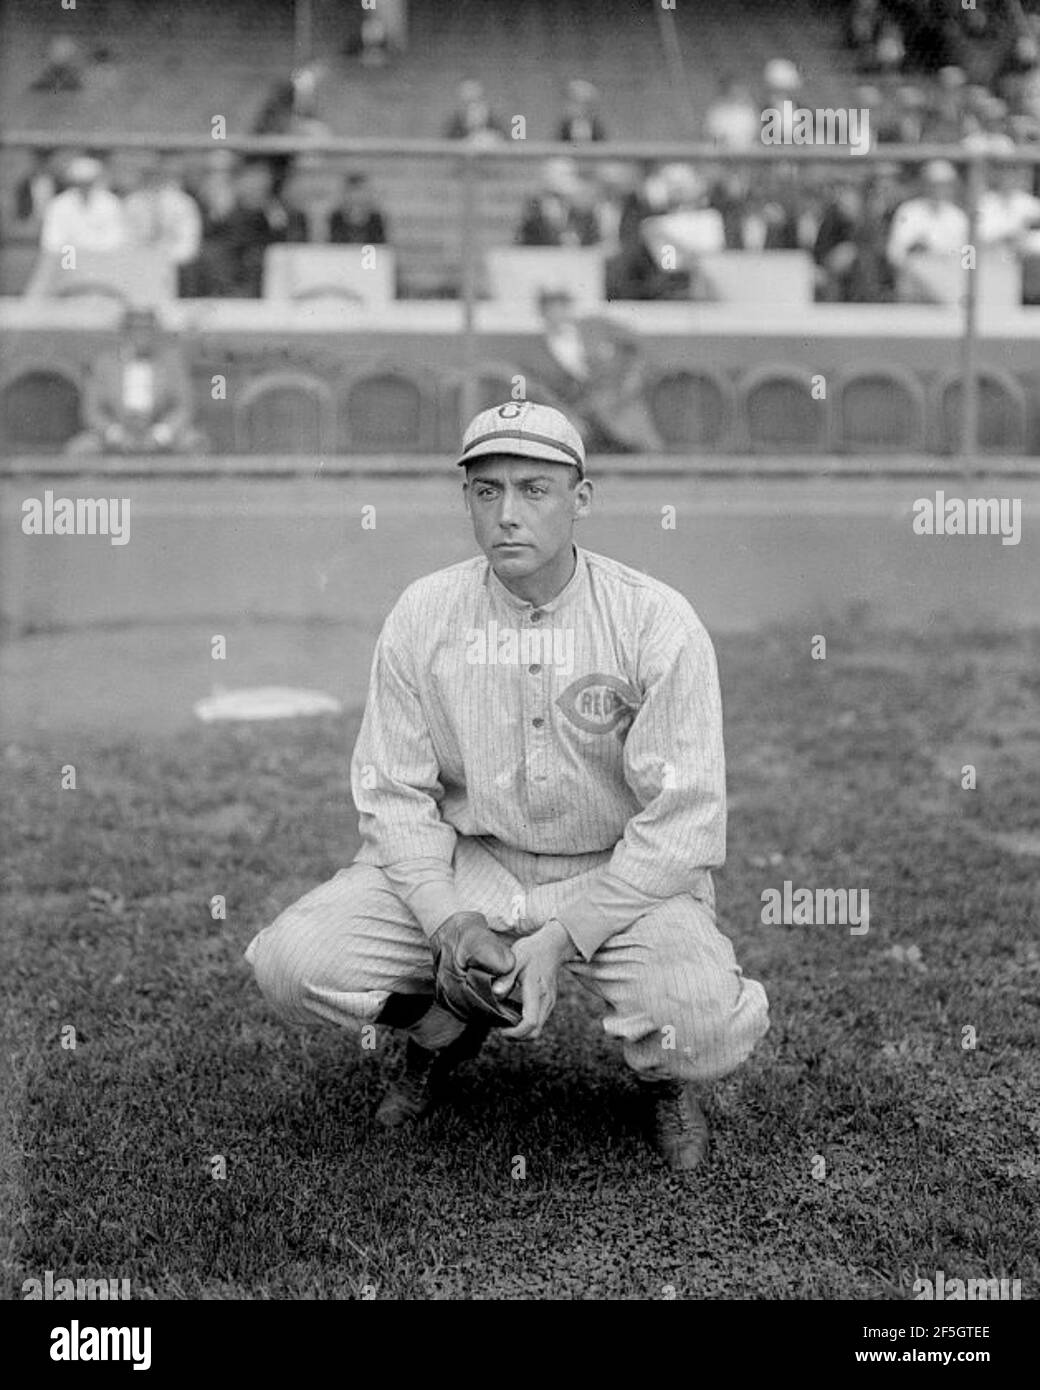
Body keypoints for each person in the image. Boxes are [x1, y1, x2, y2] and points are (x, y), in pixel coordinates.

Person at [246, 400, 770, 1173]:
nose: (507, 515)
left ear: (580, 500)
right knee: (290, 964)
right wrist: (448, 924)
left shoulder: (655, 621)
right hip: (470, 864)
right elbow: (393, 795)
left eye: (535, 489)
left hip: (615, 878)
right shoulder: (425, 612)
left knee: (699, 1025)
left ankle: (668, 1080)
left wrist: (563, 937)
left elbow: (685, 823)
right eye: (486, 491)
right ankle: (442, 1024)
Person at [533, 288, 662, 452]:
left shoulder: (595, 325)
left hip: (619, 400)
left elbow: (638, 345)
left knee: (639, 441)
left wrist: (633, 378)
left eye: (561, 307)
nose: (557, 314)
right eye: (551, 309)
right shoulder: (542, 349)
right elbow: (544, 389)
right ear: (543, 313)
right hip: (582, 410)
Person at [66, 307, 206, 456]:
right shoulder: (105, 364)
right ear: (124, 332)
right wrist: (116, 434)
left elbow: (184, 407)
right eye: (136, 329)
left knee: (195, 444)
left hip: (161, 430)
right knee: (80, 449)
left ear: (156, 332)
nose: (142, 334)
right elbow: (92, 411)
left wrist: (160, 435)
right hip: (115, 431)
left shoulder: (172, 363)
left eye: (147, 329)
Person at [887, 158, 969, 299]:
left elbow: (968, 257)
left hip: (949, 286)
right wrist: (916, 250)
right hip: (914, 286)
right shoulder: (908, 211)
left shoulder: (958, 217)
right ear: (924, 184)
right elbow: (894, 254)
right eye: (934, 185)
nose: (938, 190)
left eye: (944, 185)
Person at [124, 153, 203, 292]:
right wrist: (139, 257)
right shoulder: (132, 202)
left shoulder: (182, 202)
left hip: (173, 261)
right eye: (149, 174)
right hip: (138, 260)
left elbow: (189, 239)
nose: (153, 179)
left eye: (156, 174)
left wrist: (167, 259)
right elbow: (125, 235)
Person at [40, 155, 125, 255]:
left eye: (88, 183)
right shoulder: (58, 205)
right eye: (80, 183)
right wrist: (76, 252)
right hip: (68, 258)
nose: (84, 187)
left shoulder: (110, 202)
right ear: (73, 183)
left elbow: (117, 238)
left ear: (95, 181)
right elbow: (51, 241)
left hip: (102, 259)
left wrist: (91, 250)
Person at [515, 158, 600, 247]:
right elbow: (525, 244)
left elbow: (592, 242)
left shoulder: (582, 213)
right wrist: (549, 224)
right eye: (553, 196)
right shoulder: (534, 214)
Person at [328, 173, 388, 244]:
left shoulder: (376, 219)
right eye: (353, 193)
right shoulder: (336, 218)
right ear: (345, 195)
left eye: (360, 193)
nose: (357, 197)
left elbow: (383, 247)